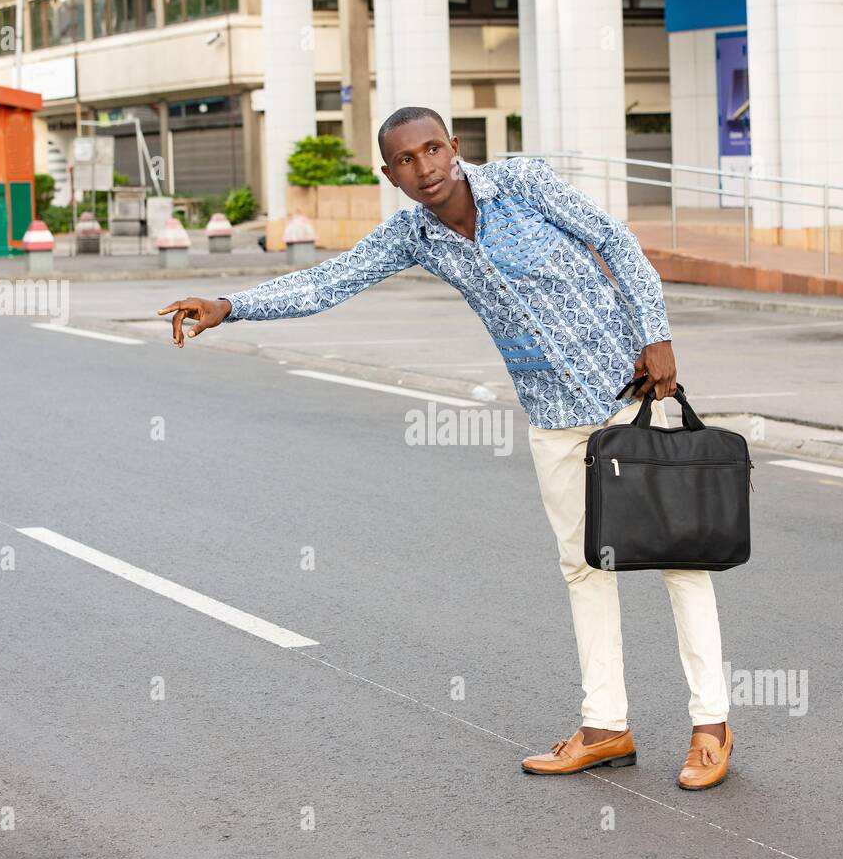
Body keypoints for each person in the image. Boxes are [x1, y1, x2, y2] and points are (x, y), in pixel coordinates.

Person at [158, 106, 733, 790]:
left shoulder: (522, 182)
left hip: (631, 390)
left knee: (679, 557)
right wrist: (231, 305)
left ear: (455, 148)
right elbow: (326, 282)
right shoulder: (415, 235)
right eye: (405, 159)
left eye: (432, 149)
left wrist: (656, 334)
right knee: (584, 565)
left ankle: (711, 725)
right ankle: (606, 725)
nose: (424, 167)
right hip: (553, 414)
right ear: (390, 175)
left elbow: (616, 240)